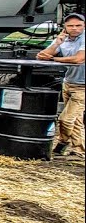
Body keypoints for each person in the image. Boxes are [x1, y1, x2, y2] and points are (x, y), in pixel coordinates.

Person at [38, 12, 85, 157]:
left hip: (83, 86)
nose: (74, 28)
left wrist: (53, 59)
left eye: (78, 25)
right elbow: (41, 55)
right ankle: (78, 150)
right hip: (69, 82)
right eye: (71, 26)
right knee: (76, 119)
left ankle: (63, 143)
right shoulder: (63, 38)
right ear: (65, 27)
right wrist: (57, 43)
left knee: (66, 119)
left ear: (84, 26)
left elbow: (79, 59)